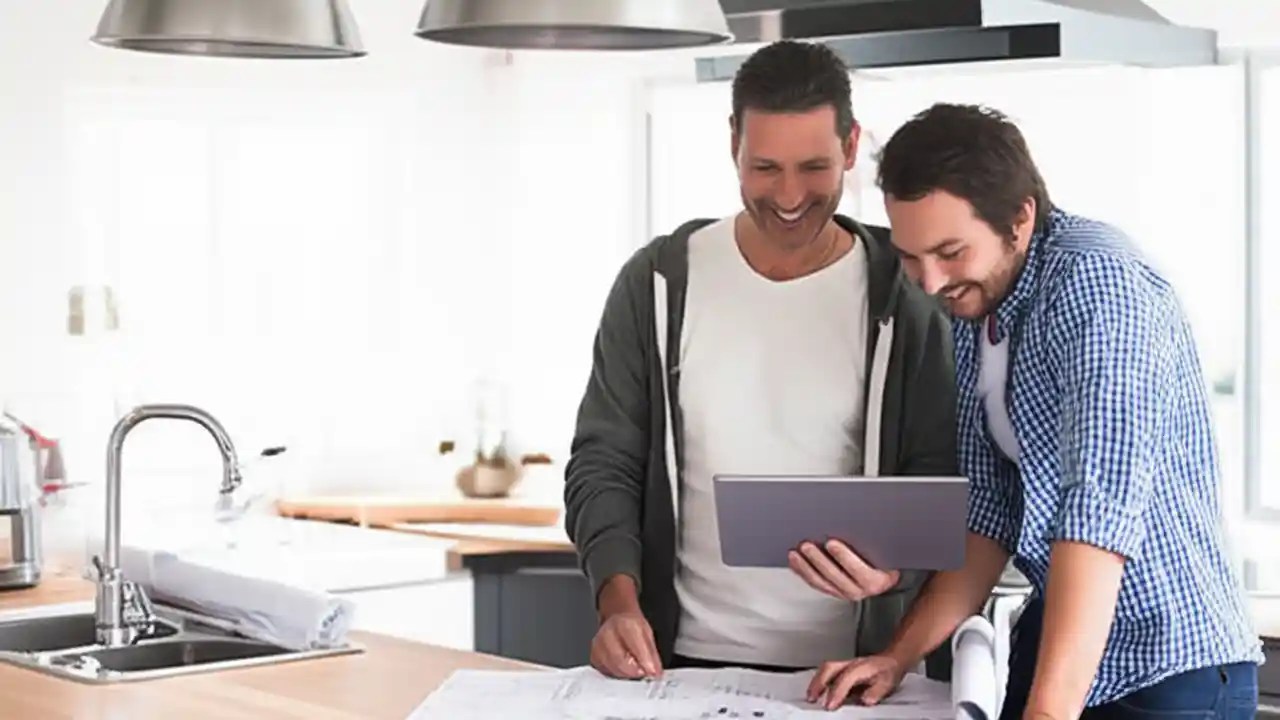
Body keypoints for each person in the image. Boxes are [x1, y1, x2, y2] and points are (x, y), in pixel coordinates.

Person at [802, 102, 1263, 719]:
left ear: (1019, 220)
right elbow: (990, 515)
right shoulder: (979, 303)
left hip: (1168, 670)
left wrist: (1047, 711)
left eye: (950, 252)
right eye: (912, 259)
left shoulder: (1099, 287)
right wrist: (898, 656)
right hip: (1065, 647)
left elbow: (1096, 516)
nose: (932, 282)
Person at [562, 40, 957, 680]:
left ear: (852, 147)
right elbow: (603, 462)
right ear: (733, 147)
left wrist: (897, 567)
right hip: (678, 668)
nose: (790, 196)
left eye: (814, 167)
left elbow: (939, 479)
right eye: (765, 168)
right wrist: (618, 605)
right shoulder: (660, 282)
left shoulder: (908, 293)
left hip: (851, 675)